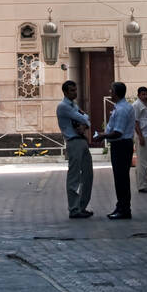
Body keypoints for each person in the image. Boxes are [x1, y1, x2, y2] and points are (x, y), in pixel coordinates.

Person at [92, 82, 135, 219]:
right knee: (121, 177)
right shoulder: (122, 107)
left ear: (116, 93)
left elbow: (118, 132)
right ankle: (121, 206)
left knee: (121, 178)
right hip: (122, 144)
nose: (110, 92)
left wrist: (102, 135)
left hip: (121, 145)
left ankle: (124, 209)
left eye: (111, 90)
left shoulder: (122, 109)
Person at [56, 80, 94, 219]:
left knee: (88, 175)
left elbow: (87, 119)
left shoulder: (74, 105)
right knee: (74, 177)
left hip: (82, 141)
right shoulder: (63, 106)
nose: (75, 92)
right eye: (72, 90)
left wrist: (84, 124)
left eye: (75, 90)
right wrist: (84, 121)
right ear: (65, 92)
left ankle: (81, 206)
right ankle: (74, 208)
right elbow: (81, 117)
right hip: (73, 142)